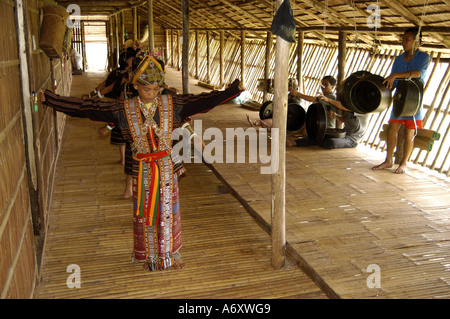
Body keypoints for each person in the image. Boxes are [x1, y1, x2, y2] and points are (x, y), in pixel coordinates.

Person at [40, 55, 244, 271]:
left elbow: (201, 102)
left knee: (169, 211)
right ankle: (149, 257)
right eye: (147, 89)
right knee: (146, 212)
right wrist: (52, 99)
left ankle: (172, 255)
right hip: (142, 170)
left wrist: (231, 91)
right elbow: (86, 107)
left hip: (166, 168)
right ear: (136, 86)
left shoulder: (171, 103)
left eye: (157, 89)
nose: (153, 94)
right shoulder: (122, 109)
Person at [372, 27, 430, 174]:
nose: (403, 42)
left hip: (413, 100)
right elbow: (394, 81)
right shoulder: (399, 59)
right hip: (400, 99)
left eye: (407, 39)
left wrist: (396, 75)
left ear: (417, 41)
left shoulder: (423, 57)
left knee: (409, 132)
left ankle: (404, 163)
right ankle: (388, 160)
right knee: (392, 129)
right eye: (403, 39)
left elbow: (418, 74)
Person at [246, 76, 338, 131]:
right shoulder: (323, 96)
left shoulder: (331, 98)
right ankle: (259, 123)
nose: (323, 87)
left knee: (290, 124)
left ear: (332, 87)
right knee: (282, 119)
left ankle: (262, 124)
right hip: (313, 120)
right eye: (322, 84)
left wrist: (297, 94)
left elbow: (311, 99)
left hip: (322, 125)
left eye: (326, 85)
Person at [287, 95, 369, 149]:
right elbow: (344, 119)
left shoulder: (362, 110)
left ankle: (302, 142)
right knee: (319, 136)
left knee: (331, 142)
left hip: (351, 140)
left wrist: (328, 100)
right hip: (343, 134)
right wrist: (335, 116)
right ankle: (295, 142)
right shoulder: (350, 111)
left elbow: (344, 107)